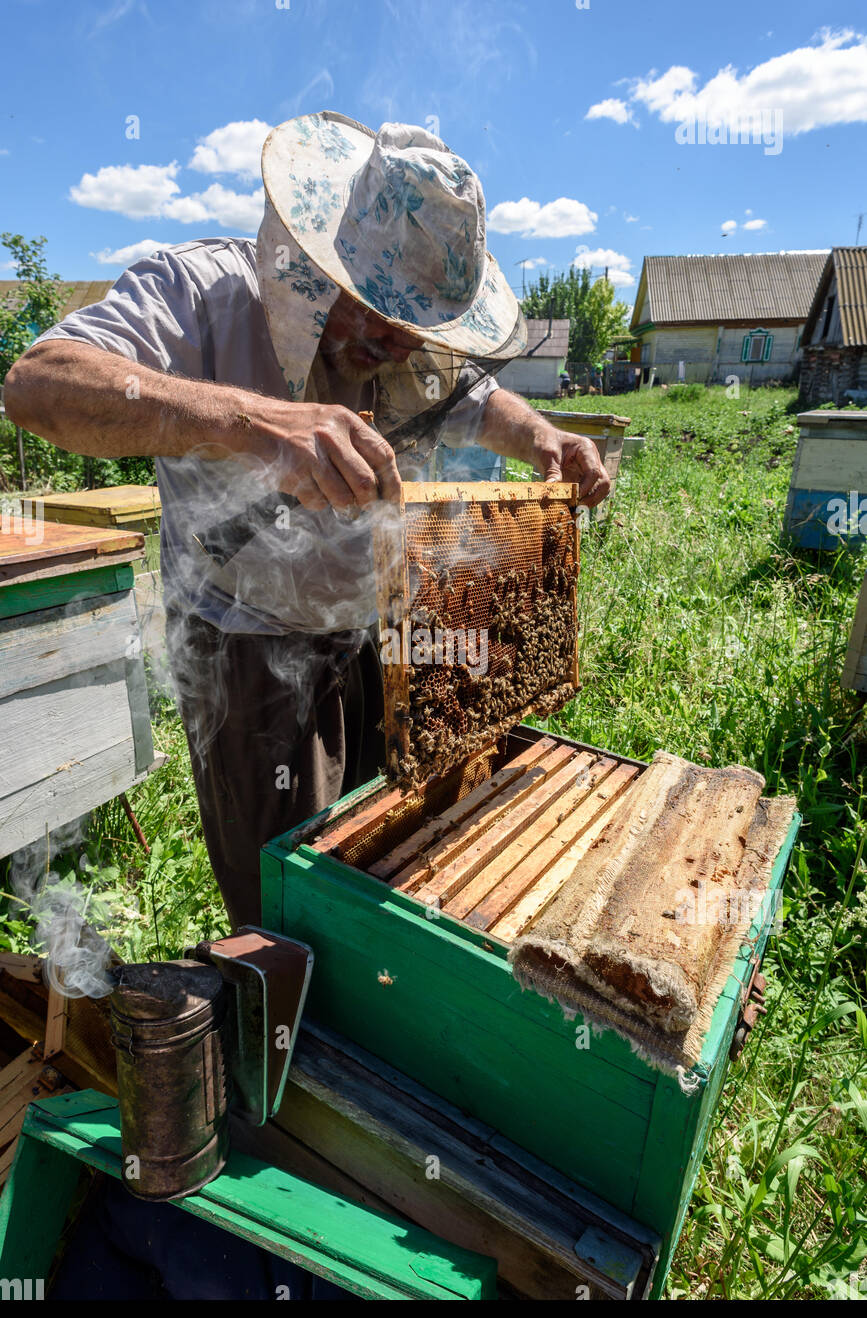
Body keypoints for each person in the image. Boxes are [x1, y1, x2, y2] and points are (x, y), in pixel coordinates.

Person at [5, 112, 610, 929]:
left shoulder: (412, 349)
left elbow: (470, 396)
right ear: (318, 251)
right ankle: (283, 1033)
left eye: (413, 326)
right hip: (248, 638)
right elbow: (38, 385)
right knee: (286, 898)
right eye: (369, 307)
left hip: (385, 631)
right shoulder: (203, 293)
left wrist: (540, 435)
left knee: (393, 846)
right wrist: (247, 421)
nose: (390, 340)